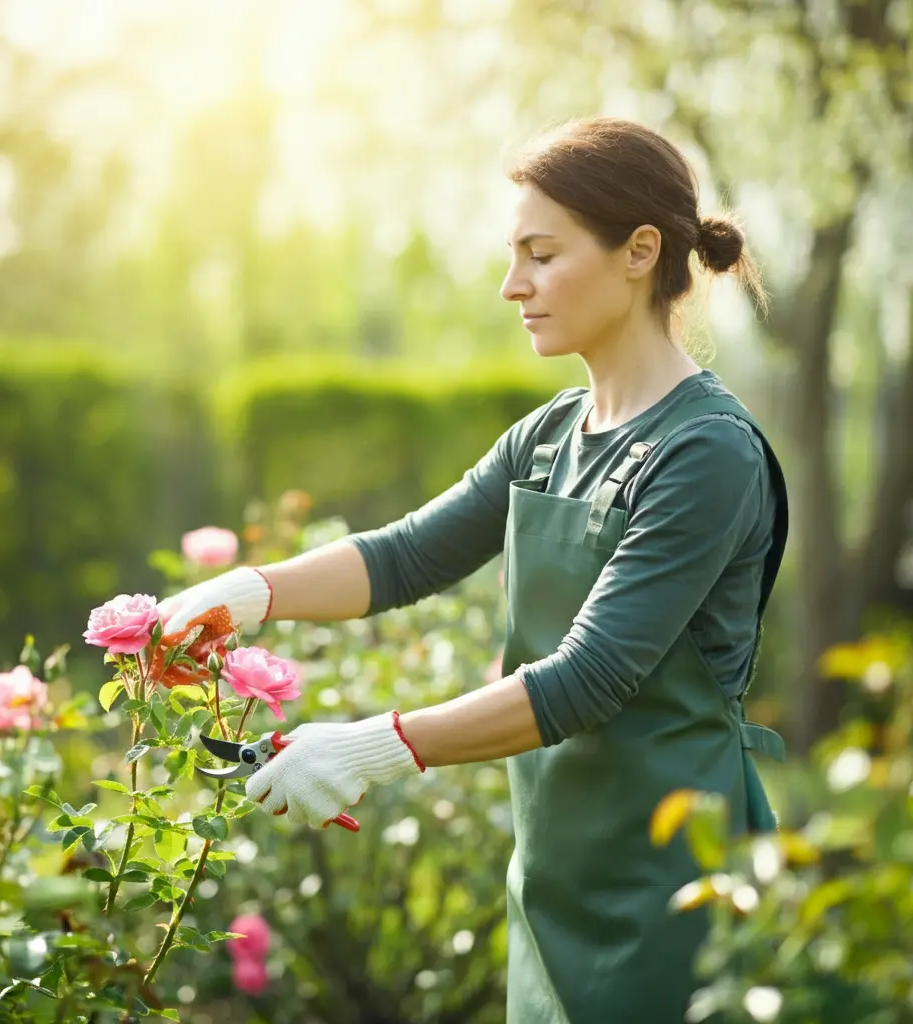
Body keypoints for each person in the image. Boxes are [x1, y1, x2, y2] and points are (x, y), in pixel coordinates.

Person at [159, 116, 789, 1024]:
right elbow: (405, 555)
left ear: (639, 252)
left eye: (541, 254)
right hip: (555, 880)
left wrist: (371, 748)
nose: (512, 285)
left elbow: (588, 679)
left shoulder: (705, 454)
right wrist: (244, 595)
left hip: (674, 892)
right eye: (512, 255)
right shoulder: (548, 437)